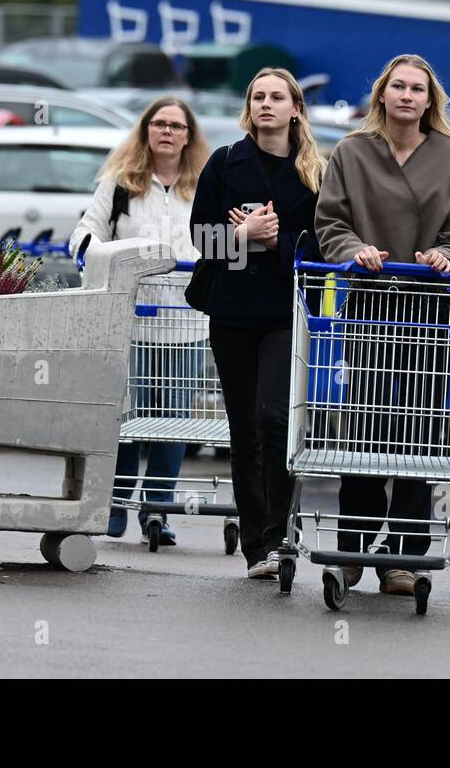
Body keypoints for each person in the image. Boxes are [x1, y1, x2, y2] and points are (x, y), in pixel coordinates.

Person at [314, 53, 450, 601]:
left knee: (419, 432)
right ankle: (354, 548)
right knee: (364, 429)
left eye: (418, 89)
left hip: (427, 312)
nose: (407, 96)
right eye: (398, 87)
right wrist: (355, 250)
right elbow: (328, 221)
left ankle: (403, 556)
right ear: (382, 94)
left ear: (431, 101)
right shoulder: (352, 152)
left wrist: (445, 254)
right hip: (369, 309)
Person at [191, 68, 323, 579]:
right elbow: (203, 240)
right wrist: (243, 234)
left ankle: (279, 536)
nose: (267, 104)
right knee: (244, 430)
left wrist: (276, 242)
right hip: (232, 311)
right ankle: (255, 548)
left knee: (275, 420)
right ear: (250, 108)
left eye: (277, 97)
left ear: (295, 109)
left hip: (285, 313)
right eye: (258, 97)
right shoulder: (225, 163)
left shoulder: (315, 170)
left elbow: (324, 241)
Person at [70, 97, 210, 543]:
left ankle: (157, 512)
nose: (167, 131)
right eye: (159, 124)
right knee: (125, 418)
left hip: (186, 323)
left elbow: (223, 246)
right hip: (129, 321)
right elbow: (84, 235)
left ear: (189, 135)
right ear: (146, 131)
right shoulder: (120, 185)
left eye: (176, 125)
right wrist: (111, 261)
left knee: (172, 423)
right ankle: (116, 504)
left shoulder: (204, 186)